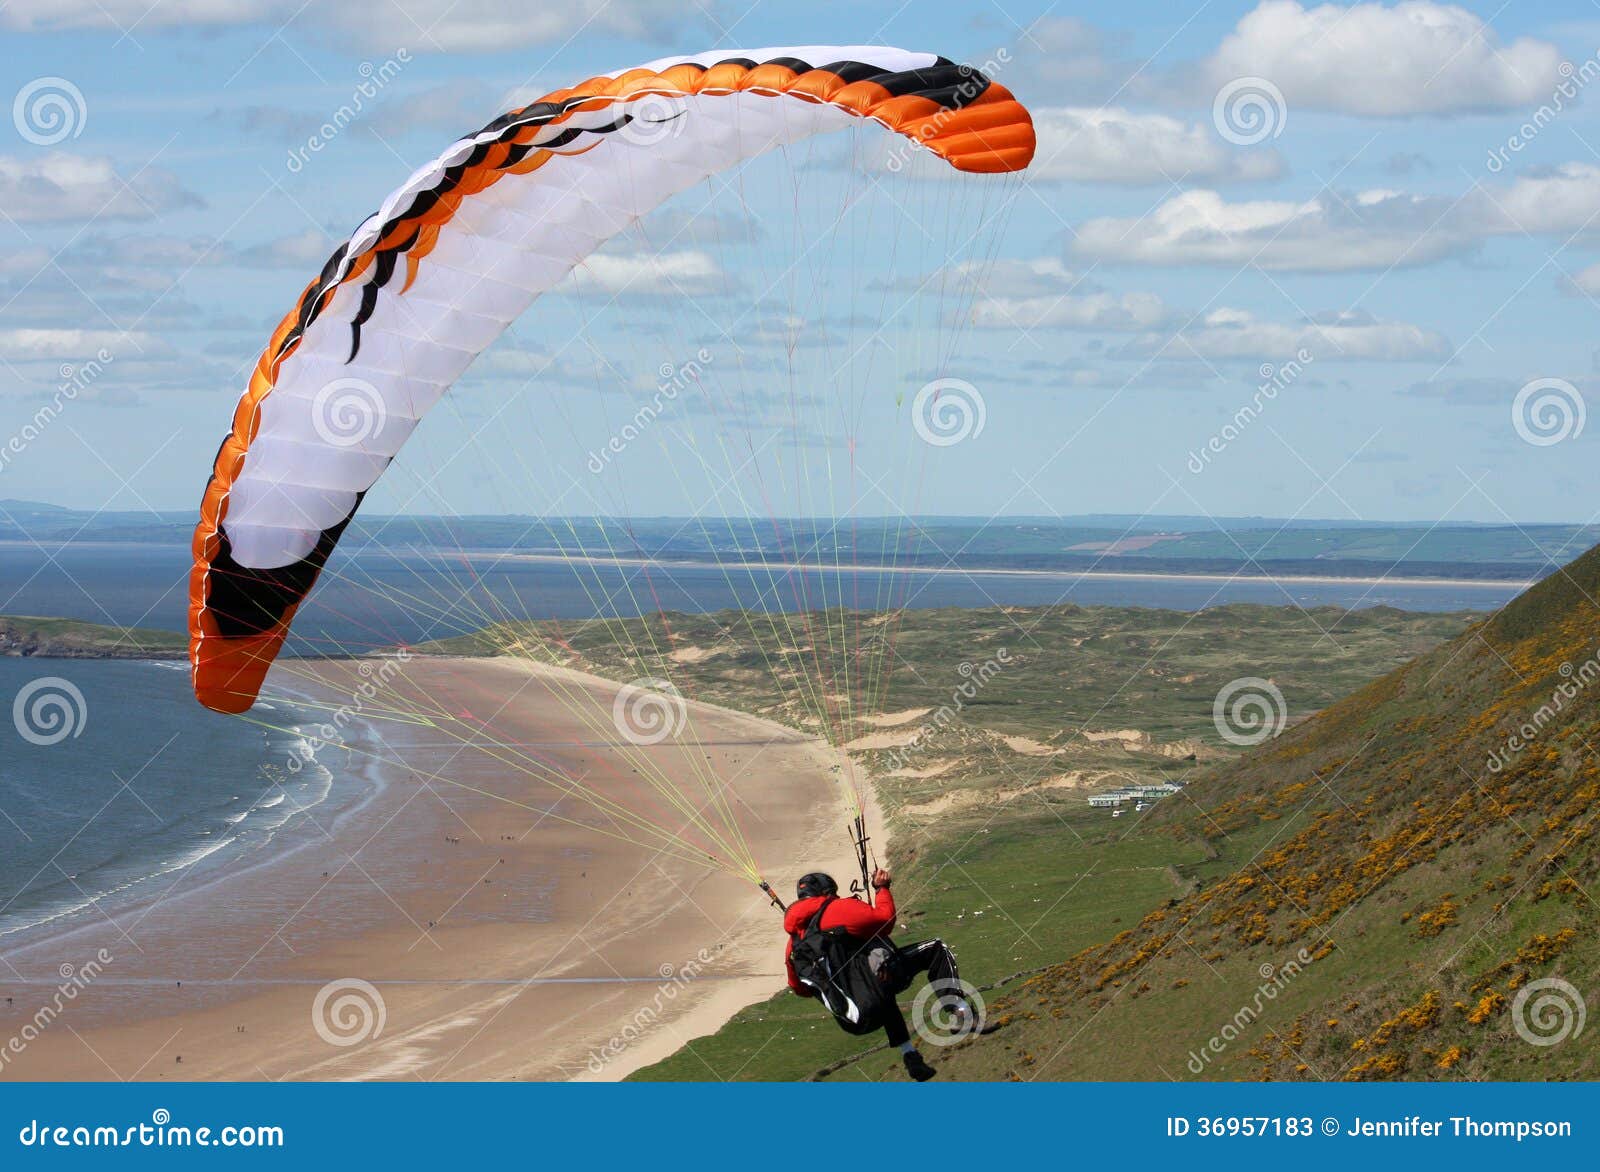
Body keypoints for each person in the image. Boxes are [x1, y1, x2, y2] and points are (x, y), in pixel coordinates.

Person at [783, 867, 973, 1081]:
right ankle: (961, 1012)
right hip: (875, 993)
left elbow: (800, 989)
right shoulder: (838, 909)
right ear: (828, 891)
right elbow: (884, 921)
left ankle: (910, 1054)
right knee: (936, 948)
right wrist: (881, 888)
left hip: (852, 1019)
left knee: (874, 986)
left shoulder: (794, 945)